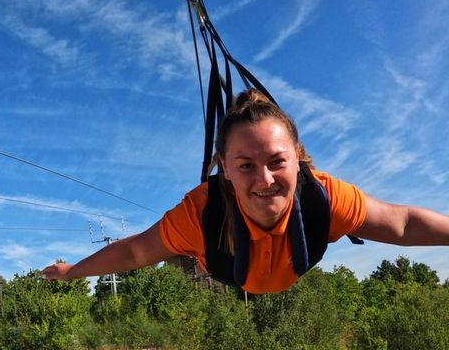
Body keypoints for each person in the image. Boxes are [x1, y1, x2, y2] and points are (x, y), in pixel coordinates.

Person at [43, 89, 449, 293]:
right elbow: (134, 252)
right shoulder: (201, 214)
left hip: (282, 267)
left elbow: (402, 224)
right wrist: (72, 271)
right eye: (246, 166)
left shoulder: (322, 195)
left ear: (298, 159)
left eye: (277, 161)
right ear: (224, 169)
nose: (265, 180)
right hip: (229, 267)